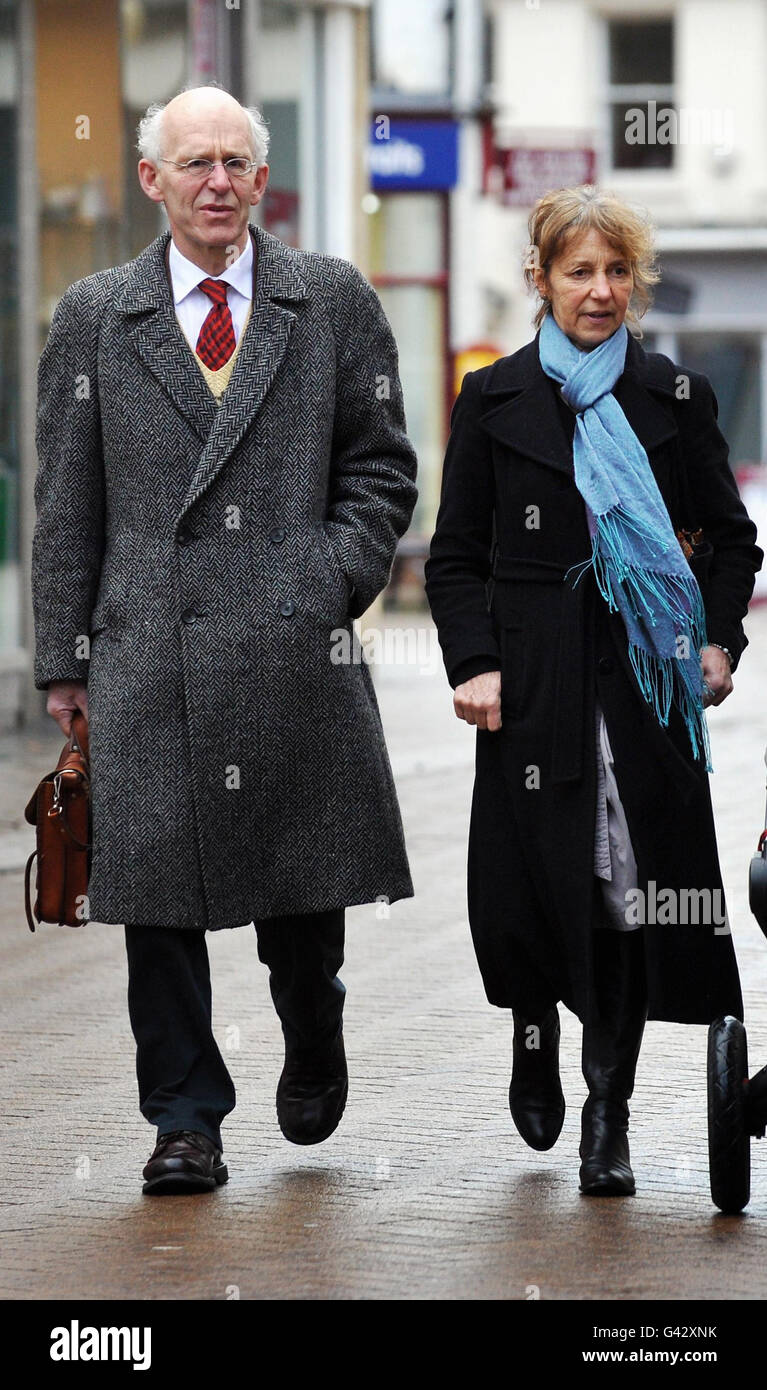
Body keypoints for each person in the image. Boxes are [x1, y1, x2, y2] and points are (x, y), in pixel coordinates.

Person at [32, 85, 417, 1195]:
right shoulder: (97, 314)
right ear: (149, 179)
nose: (216, 182)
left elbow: (383, 463)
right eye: (192, 162)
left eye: (235, 162)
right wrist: (63, 654)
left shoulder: (330, 300)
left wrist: (327, 575)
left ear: (261, 178)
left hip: (293, 643)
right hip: (146, 643)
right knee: (153, 900)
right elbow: (68, 499)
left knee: (302, 887)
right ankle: (185, 1118)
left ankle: (313, 1021)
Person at [425, 184, 762, 1197]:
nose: (600, 290)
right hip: (532, 688)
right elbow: (453, 557)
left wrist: (712, 639)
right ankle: (534, 1027)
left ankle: (603, 1108)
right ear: (539, 281)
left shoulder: (672, 399)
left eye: (616, 271)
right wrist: (473, 663)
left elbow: (732, 540)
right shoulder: (491, 400)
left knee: (625, 896)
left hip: (645, 694)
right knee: (530, 884)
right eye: (578, 271)